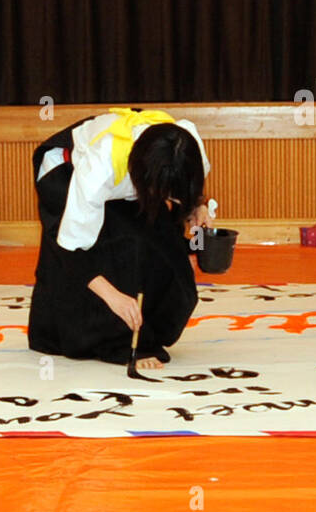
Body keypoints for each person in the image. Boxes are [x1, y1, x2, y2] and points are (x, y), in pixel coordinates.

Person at [27, 108, 211, 371]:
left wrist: (197, 207)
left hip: (129, 175)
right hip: (67, 170)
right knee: (123, 247)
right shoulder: (99, 168)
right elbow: (70, 249)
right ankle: (113, 339)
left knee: (167, 248)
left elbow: (190, 188)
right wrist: (113, 297)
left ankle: (150, 331)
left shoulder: (186, 146)